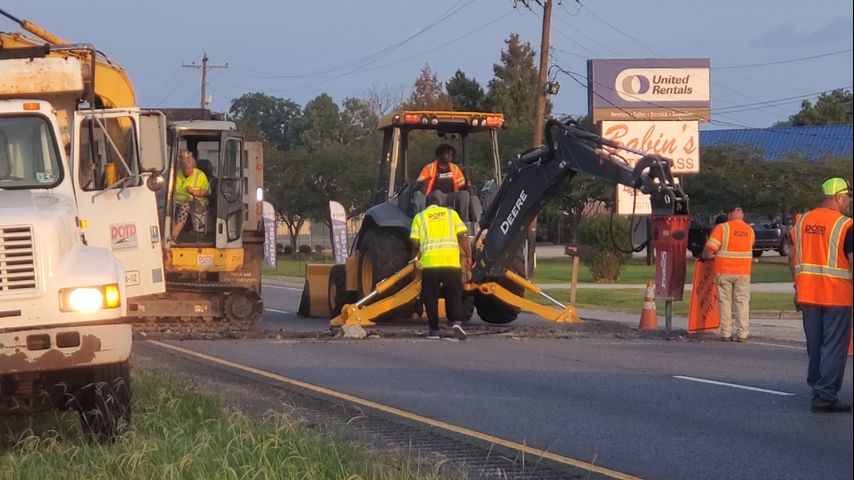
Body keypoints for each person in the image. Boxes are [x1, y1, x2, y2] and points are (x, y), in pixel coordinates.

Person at [789, 177, 852, 413]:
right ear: (838, 197)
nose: (849, 203)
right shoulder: (845, 225)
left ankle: (817, 389)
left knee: (815, 346)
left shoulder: (802, 221)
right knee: (834, 347)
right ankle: (826, 395)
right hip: (837, 296)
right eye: (848, 198)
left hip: (808, 295)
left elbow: (792, 258)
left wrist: (797, 287)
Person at [410, 196, 472, 340]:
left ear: (426, 205)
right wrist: (468, 255)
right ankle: (456, 322)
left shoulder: (420, 217)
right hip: (451, 262)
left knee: (430, 297)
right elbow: (462, 236)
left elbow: (414, 241)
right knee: (454, 293)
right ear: (439, 204)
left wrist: (418, 249)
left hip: (431, 264)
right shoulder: (451, 214)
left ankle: (434, 330)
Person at [702, 206, 755, 342]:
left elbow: (710, 249)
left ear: (730, 214)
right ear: (742, 215)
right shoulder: (750, 230)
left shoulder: (723, 228)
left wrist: (706, 255)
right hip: (743, 272)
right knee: (742, 302)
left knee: (725, 302)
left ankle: (726, 333)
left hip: (724, 271)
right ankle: (742, 334)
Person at [415, 144, 471, 222]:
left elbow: (461, 185)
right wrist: (423, 184)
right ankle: (438, 222)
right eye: (447, 153)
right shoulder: (429, 168)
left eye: (451, 154)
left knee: (464, 195)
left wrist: (466, 185)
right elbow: (419, 183)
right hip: (433, 196)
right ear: (439, 154)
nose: (450, 156)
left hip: (451, 196)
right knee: (437, 193)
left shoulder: (455, 168)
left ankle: (464, 222)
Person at [172, 149, 210, 241]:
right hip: (176, 202)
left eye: (190, 168)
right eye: (186, 168)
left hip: (197, 203)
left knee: (184, 208)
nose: (188, 170)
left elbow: (207, 192)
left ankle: (173, 236)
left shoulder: (200, 175)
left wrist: (194, 191)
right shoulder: (176, 174)